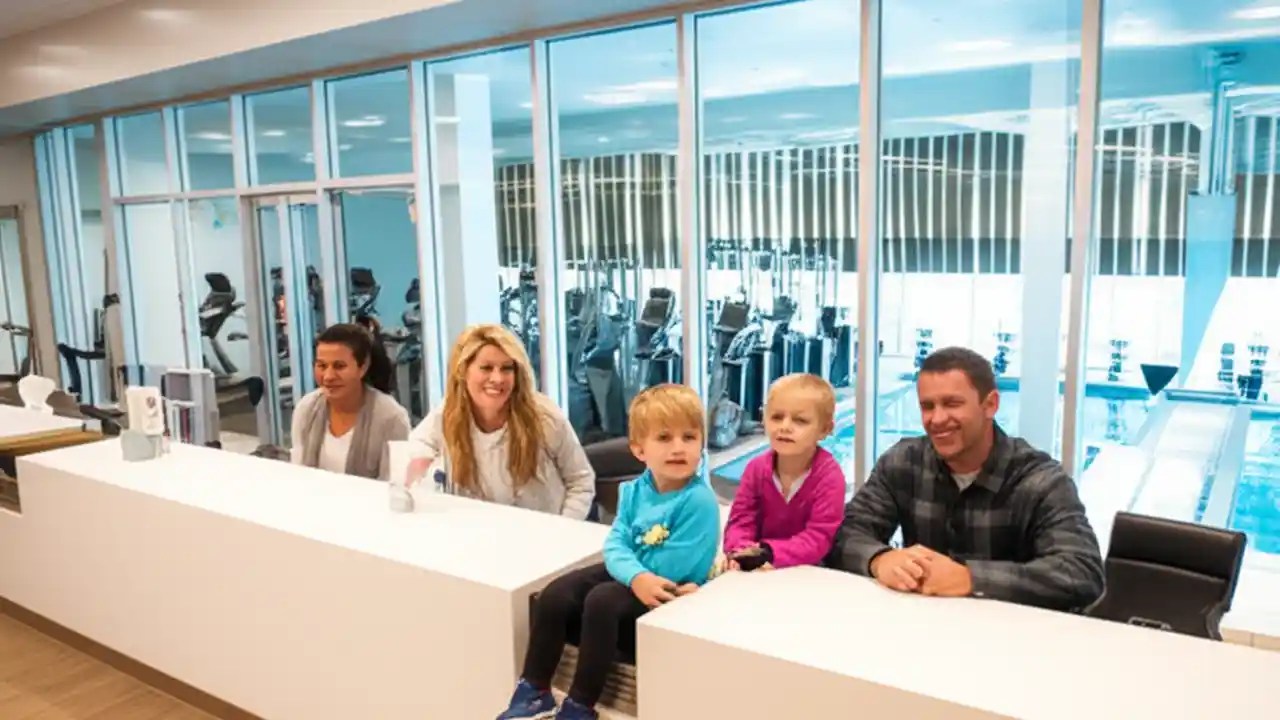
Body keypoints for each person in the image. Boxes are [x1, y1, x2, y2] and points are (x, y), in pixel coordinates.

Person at [497, 384, 721, 720]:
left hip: (668, 586)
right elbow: (615, 542)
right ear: (638, 449)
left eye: (689, 437)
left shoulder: (699, 501)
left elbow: (674, 566)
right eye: (664, 438)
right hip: (637, 574)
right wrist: (634, 574)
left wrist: (635, 574)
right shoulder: (633, 490)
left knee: (602, 600)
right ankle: (534, 689)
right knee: (557, 593)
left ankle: (580, 705)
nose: (678, 448)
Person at [830, 346, 1104, 612]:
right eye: (927, 406)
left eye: (952, 404)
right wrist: (880, 559)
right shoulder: (903, 462)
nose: (937, 419)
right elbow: (846, 533)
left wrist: (970, 578)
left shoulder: (1041, 481)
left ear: (990, 405)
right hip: (921, 631)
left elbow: (1081, 572)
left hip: (1013, 640)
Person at [408, 324, 594, 518]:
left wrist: (563, 531)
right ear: (463, 371)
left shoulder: (544, 417)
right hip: (478, 536)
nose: (497, 378)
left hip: (543, 538)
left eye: (506, 368)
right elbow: (417, 448)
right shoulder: (449, 413)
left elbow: (581, 482)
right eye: (486, 368)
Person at [720, 373, 846, 572]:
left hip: (812, 573)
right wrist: (740, 550)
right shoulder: (756, 469)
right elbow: (740, 521)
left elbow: (819, 537)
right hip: (760, 569)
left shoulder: (829, 477)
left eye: (800, 421)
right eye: (777, 417)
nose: (785, 427)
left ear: (825, 429)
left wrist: (768, 553)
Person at [290, 323, 411, 480]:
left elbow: (394, 485)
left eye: (339, 366)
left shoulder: (391, 418)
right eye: (321, 365)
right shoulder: (307, 408)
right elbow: (298, 473)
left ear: (363, 367)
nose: (328, 376)